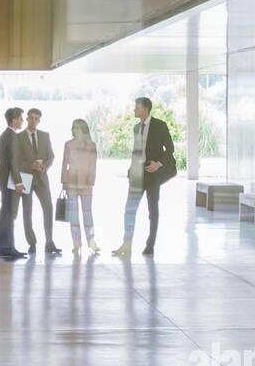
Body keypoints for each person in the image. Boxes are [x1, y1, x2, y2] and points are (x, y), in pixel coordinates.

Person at [112, 96, 176, 259]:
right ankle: (126, 244)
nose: (134, 110)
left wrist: (159, 164)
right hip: (137, 174)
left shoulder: (160, 125)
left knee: (152, 210)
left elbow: (170, 149)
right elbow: (137, 151)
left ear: (145, 109)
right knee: (130, 208)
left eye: (136, 107)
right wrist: (131, 166)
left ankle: (150, 245)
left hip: (153, 174)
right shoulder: (136, 128)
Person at [16, 107, 60, 255]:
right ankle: (32, 242)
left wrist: (45, 166)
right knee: (27, 210)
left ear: (39, 121)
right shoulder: (19, 137)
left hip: (42, 177)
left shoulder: (45, 136)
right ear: (27, 119)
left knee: (48, 207)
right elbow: (15, 160)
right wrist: (30, 165)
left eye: (36, 118)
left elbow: (51, 156)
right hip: (26, 177)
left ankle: (49, 242)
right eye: (31, 118)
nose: (33, 121)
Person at [0, 107, 28, 260]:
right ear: (14, 120)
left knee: (5, 211)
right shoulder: (12, 136)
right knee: (9, 212)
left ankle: (2, 246)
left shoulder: (5, 135)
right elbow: (13, 162)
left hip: (4, 177)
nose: (22, 121)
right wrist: (18, 182)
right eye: (21, 118)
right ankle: (7, 247)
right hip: (9, 178)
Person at [61, 119, 99, 256]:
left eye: (78, 128)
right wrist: (64, 181)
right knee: (73, 215)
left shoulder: (91, 145)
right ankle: (76, 242)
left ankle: (91, 241)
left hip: (87, 183)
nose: (75, 130)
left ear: (84, 129)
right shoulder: (68, 145)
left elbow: (93, 164)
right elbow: (64, 164)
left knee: (87, 213)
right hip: (71, 182)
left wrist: (91, 179)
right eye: (74, 127)